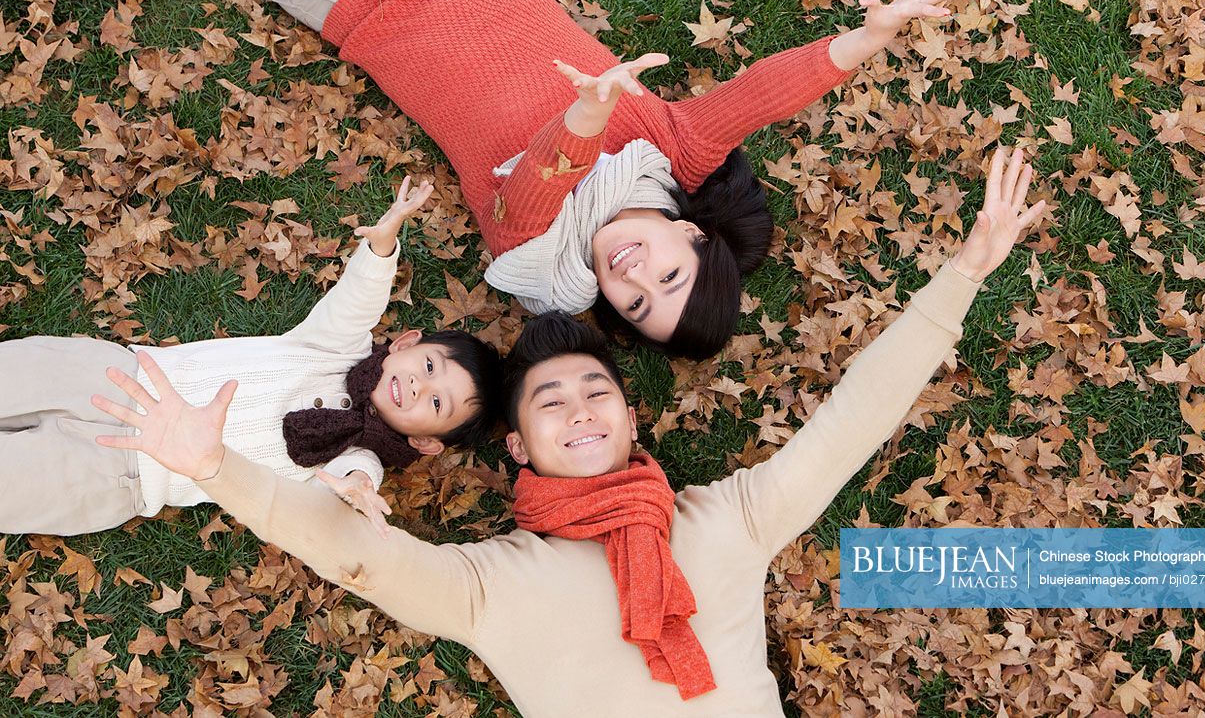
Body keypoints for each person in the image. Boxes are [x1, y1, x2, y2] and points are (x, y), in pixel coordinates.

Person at [91, 149, 1045, 715]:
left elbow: (851, 423)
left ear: (632, 422)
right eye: (548, 405)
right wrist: (215, 465)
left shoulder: (728, 520)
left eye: (594, 391)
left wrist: (961, 274)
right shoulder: (489, 584)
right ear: (518, 450)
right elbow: (361, 561)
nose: (579, 409)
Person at [189, 0, 975, 358]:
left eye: (634, 302)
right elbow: (756, 98)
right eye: (667, 276)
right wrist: (867, 39)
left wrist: (587, 117)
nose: (633, 275)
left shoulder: (538, 261)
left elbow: (533, 186)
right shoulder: (670, 157)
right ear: (693, 235)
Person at [0, 177, 502, 537]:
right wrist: (383, 245)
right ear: (406, 344)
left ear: (424, 442)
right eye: (430, 368)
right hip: (117, 378)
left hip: (122, 474)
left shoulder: (356, 454)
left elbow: (352, 480)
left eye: (437, 405)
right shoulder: (335, 349)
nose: (419, 387)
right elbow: (356, 304)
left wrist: (357, 491)